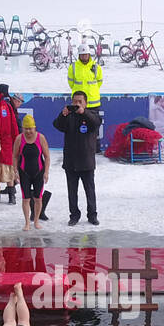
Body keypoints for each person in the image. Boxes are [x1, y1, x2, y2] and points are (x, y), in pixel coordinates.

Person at [52, 90, 101, 226]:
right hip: (71, 161)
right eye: (75, 101)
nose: (77, 104)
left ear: (86, 103)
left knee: (90, 190)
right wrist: (62, 115)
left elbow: (96, 122)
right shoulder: (68, 116)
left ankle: (92, 215)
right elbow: (57, 125)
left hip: (86, 161)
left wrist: (83, 112)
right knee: (72, 192)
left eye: (80, 101)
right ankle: (74, 215)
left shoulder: (92, 115)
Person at [14, 114, 50, 231]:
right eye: (26, 129)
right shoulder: (19, 139)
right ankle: (27, 222)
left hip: (38, 172)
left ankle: (36, 221)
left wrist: (46, 172)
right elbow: (15, 157)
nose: (28, 131)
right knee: (25, 198)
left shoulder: (41, 138)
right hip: (24, 172)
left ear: (35, 128)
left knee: (38, 198)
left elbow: (47, 156)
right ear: (23, 128)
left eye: (30, 128)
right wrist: (15, 171)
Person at [67, 45, 103, 152]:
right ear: (79, 55)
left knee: (94, 127)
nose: (84, 56)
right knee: (77, 126)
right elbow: (71, 82)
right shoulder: (73, 67)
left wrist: (91, 94)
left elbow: (99, 82)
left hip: (93, 103)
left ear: (89, 54)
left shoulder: (96, 67)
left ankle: (96, 148)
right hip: (78, 104)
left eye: (86, 54)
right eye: (82, 55)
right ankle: (79, 147)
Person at [0, 83, 21, 205]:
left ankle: (6, 195)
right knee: (0, 168)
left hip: (4, 141)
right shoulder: (3, 104)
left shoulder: (4, 105)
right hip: (3, 141)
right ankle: (5, 195)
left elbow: (13, 125)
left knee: (3, 168)